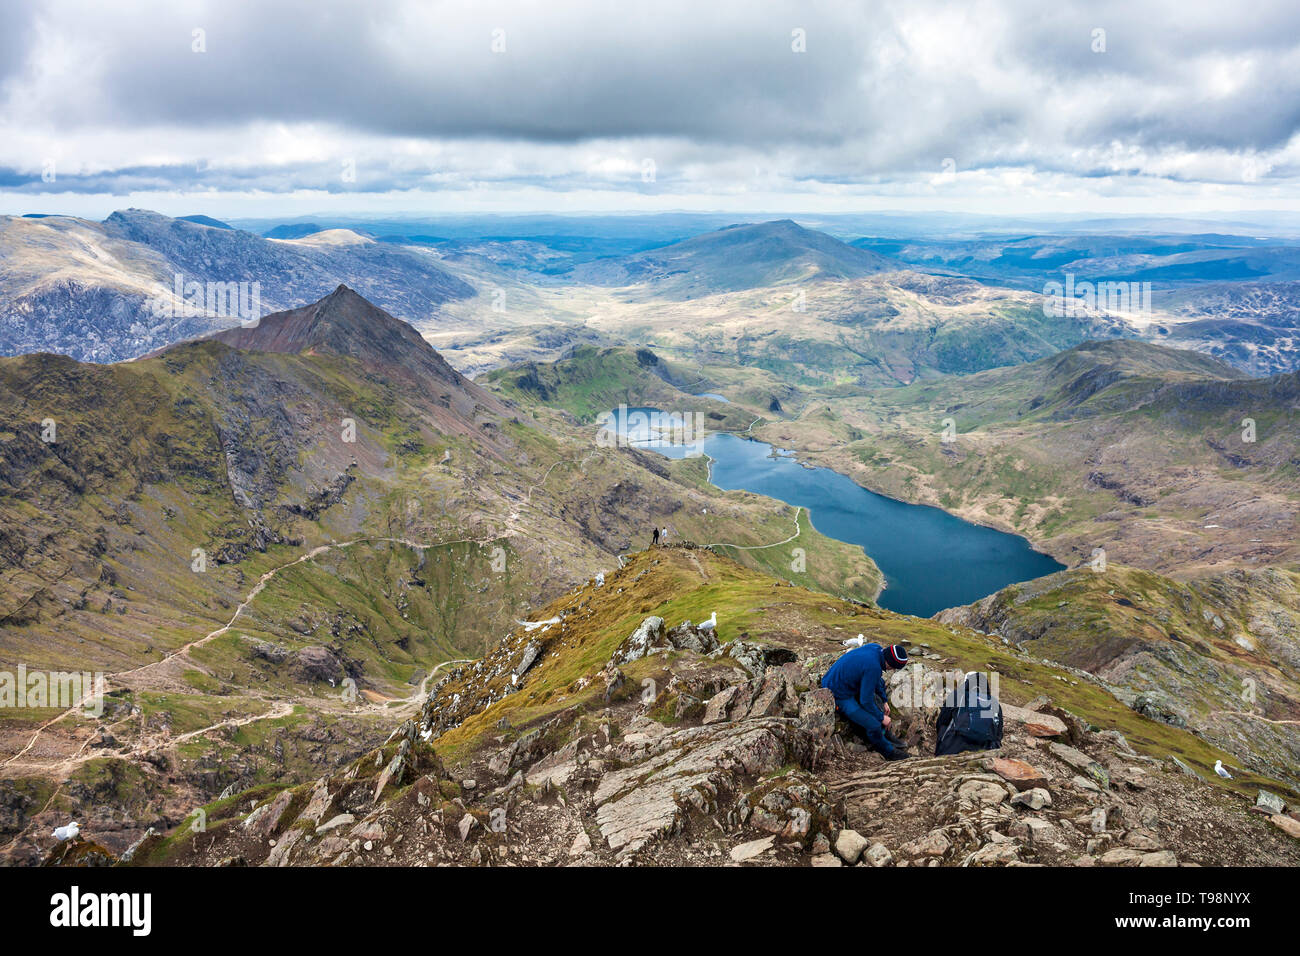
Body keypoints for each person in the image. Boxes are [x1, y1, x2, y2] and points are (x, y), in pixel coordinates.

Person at [821, 642, 910, 760]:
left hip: (845, 684)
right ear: (889, 663)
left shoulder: (876, 648)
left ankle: (886, 734)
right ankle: (888, 751)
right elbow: (865, 700)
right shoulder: (873, 667)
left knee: (878, 701)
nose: (892, 670)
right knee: (872, 724)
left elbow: (878, 681)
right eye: (893, 667)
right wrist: (881, 718)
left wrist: (884, 701)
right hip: (837, 693)